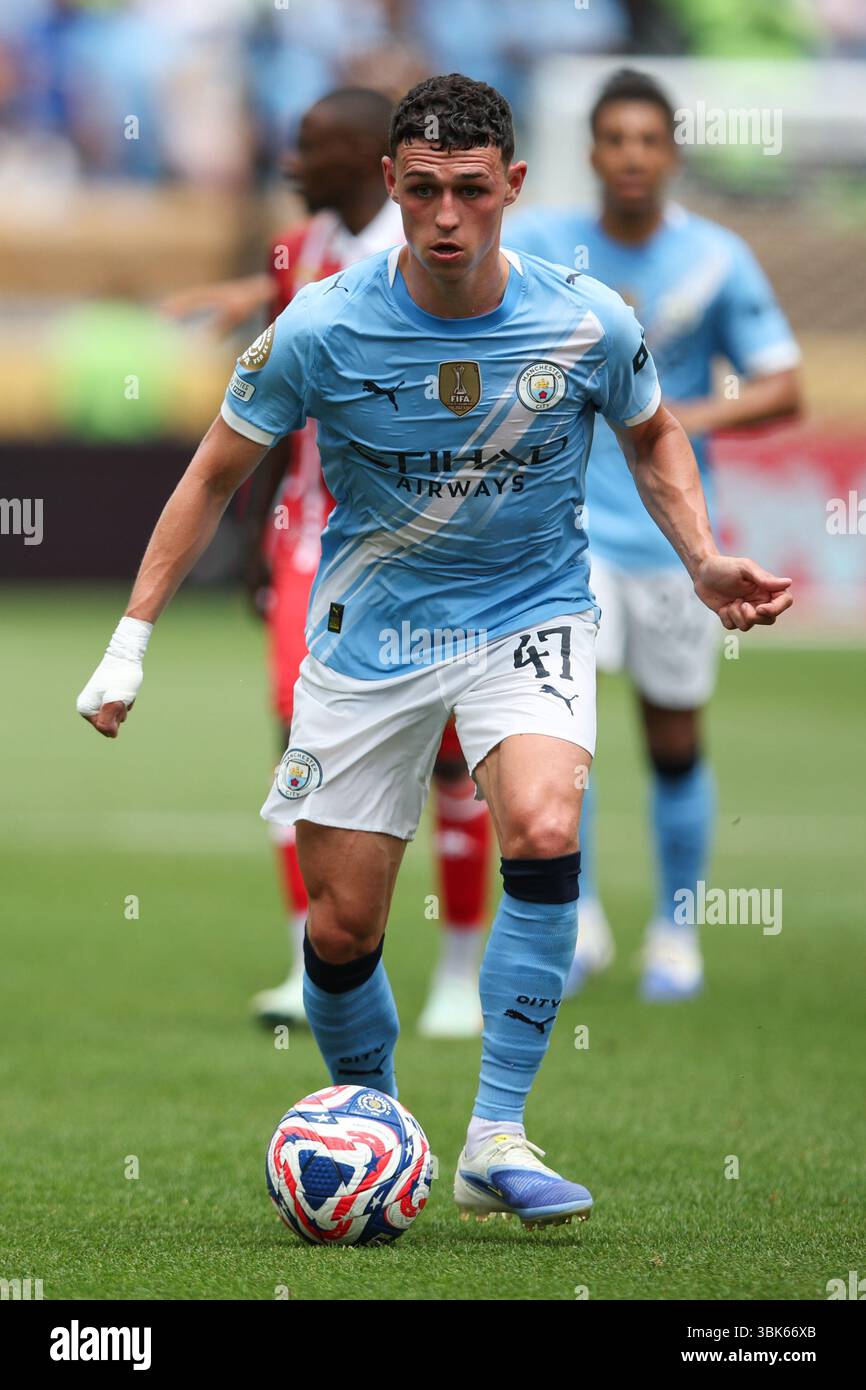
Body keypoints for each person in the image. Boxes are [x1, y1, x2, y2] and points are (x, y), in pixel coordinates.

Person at [77, 73, 793, 1229]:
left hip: (530, 614)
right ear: (390, 187)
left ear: (511, 186)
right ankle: (374, 1124)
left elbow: (653, 429)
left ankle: (497, 1134)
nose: (446, 216)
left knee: (547, 827)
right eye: (421, 192)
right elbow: (215, 470)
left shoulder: (584, 317)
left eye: (469, 190)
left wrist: (701, 555)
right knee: (342, 923)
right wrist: (130, 639)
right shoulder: (320, 321)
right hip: (373, 634)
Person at [164, 87, 491, 1037]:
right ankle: (310, 960)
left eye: (313, 143)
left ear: (366, 157)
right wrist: (256, 543)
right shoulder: (299, 253)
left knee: (450, 758)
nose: (294, 159)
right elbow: (275, 400)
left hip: (426, 540)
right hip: (312, 540)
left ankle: (460, 975)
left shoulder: (430, 247)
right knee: (299, 747)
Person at [507, 68, 802, 1000]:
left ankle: (678, 932)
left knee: (673, 739)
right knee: (563, 731)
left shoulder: (716, 258)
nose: (632, 156)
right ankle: (582, 919)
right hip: (567, 536)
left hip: (679, 543)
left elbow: (784, 386)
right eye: (615, 140)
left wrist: (674, 421)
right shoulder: (546, 245)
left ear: (671, 154)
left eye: (649, 140)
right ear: (591, 152)